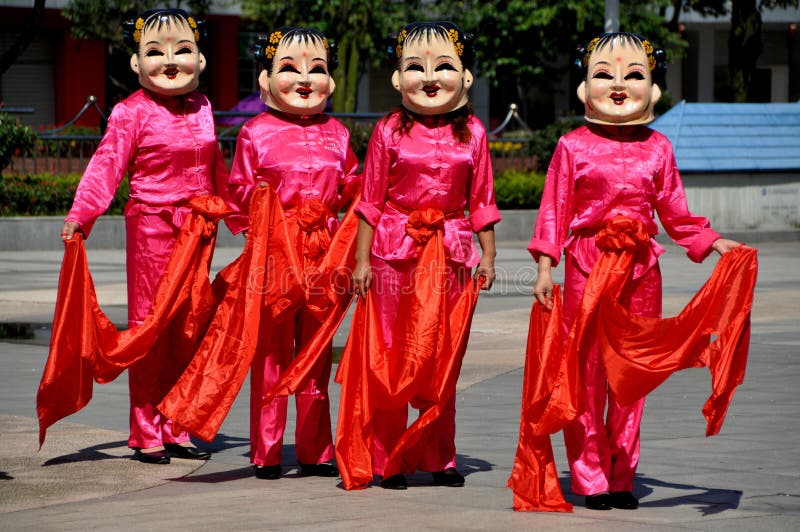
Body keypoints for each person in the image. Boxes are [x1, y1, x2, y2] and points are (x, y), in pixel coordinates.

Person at [528, 32, 740, 510]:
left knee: (631, 375)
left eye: (633, 75)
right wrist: (545, 269)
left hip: (642, 270)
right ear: (585, 87)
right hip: (587, 265)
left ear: (653, 88)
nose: (619, 85)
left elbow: (675, 211)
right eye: (605, 75)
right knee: (586, 374)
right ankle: (591, 478)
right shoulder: (571, 146)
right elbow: (554, 211)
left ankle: (622, 476)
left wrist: (712, 241)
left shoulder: (658, 147)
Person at [61, 8, 230, 464]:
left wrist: (247, 218)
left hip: (199, 230)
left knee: (188, 326)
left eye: (182, 50)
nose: (170, 61)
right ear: (136, 63)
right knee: (150, 327)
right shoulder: (130, 111)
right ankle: (145, 429)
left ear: (200, 59)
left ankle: (176, 424)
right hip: (152, 228)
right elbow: (107, 166)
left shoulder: (203, 106)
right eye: (156, 52)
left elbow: (216, 169)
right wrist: (81, 214)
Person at [347, 21, 500, 490]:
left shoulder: (474, 132)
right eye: (417, 66)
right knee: (392, 354)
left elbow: (482, 200)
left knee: (442, 355)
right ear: (398, 78)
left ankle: (440, 457)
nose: (430, 77)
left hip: (451, 251)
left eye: (443, 66)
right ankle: (388, 459)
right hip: (394, 252)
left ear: (465, 76)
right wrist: (361, 261)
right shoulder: (388, 130)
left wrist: (489, 256)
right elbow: (370, 200)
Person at [226, 27, 360, 480]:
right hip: (276, 255)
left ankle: (316, 450)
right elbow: (238, 190)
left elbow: (352, 184)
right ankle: (266, 452)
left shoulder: (338, 132)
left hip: (326, 255)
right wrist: (265, 214)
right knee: (271, 354)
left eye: (316, 69)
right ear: (265, 79)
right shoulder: (255, 132)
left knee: (317, 353)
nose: (304, 79)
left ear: (330, 81)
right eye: (289, 68)